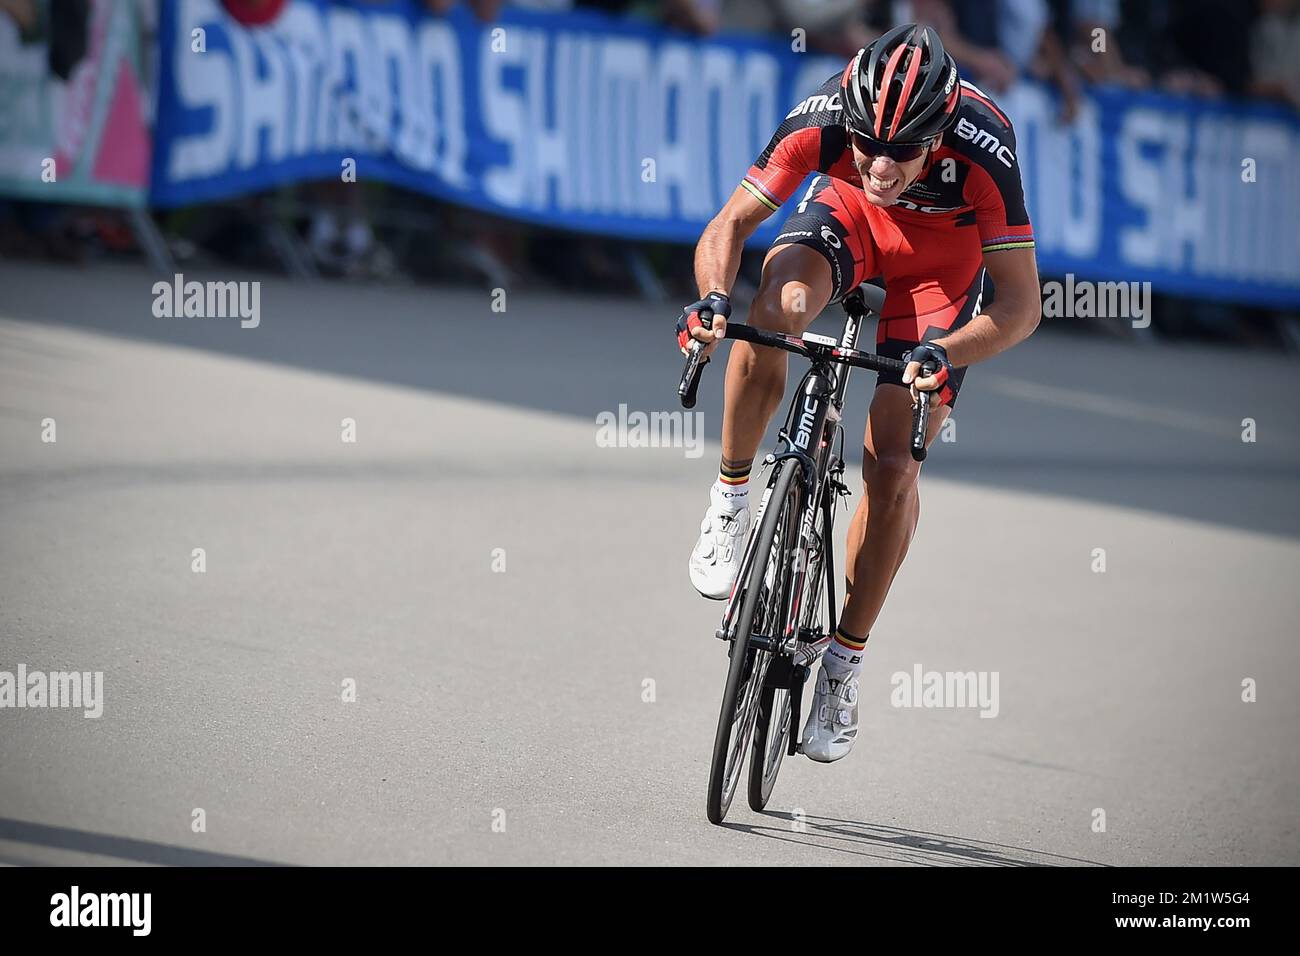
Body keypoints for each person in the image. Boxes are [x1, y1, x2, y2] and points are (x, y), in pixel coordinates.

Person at [678, 24, 1041, 762]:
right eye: (865, 144)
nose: (878, 162)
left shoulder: (986, 143)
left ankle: (843, 666)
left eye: (900, 150)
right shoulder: (823, 117)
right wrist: (711, 300)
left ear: (939, 135)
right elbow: (732, 222)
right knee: (769, 313)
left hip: (941, 275)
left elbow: (1020, 306)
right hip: (847, 225)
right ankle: (730, 500)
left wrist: (946, 352)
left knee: (893, 465)